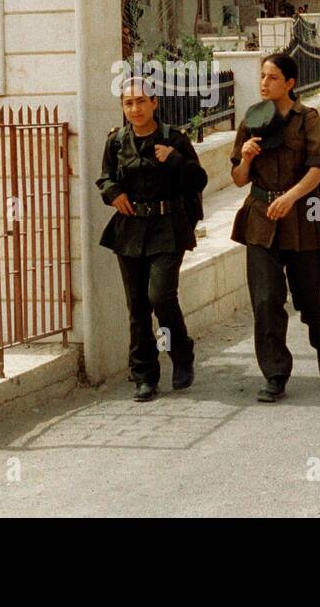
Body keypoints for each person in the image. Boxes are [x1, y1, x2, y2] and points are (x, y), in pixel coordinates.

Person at [230, 53, 320, 403]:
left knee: (307, 295)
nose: (264, 83)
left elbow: (318, 168)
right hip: (261, 217)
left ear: (290, 83)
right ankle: (275, 372)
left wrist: (291, 197)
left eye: (272, 77)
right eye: (262, 76)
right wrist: (246, 157)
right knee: (265, 299)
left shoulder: (307, 119)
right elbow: (237, 179)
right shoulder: (251, 121)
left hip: (302, 213)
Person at [96, 78, 208, 402]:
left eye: (142, 101)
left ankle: (181, 353)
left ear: (155, 103)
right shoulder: (116, 141)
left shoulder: (174, 138)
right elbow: (106, 177)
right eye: (129, 103)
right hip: (130, 229)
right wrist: (113, 193)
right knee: (137, 306)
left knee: (161, 296)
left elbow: (199, 179)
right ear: (123, 107)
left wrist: (174, 159)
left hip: (168, 228)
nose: (136, 108)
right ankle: (145, 374)